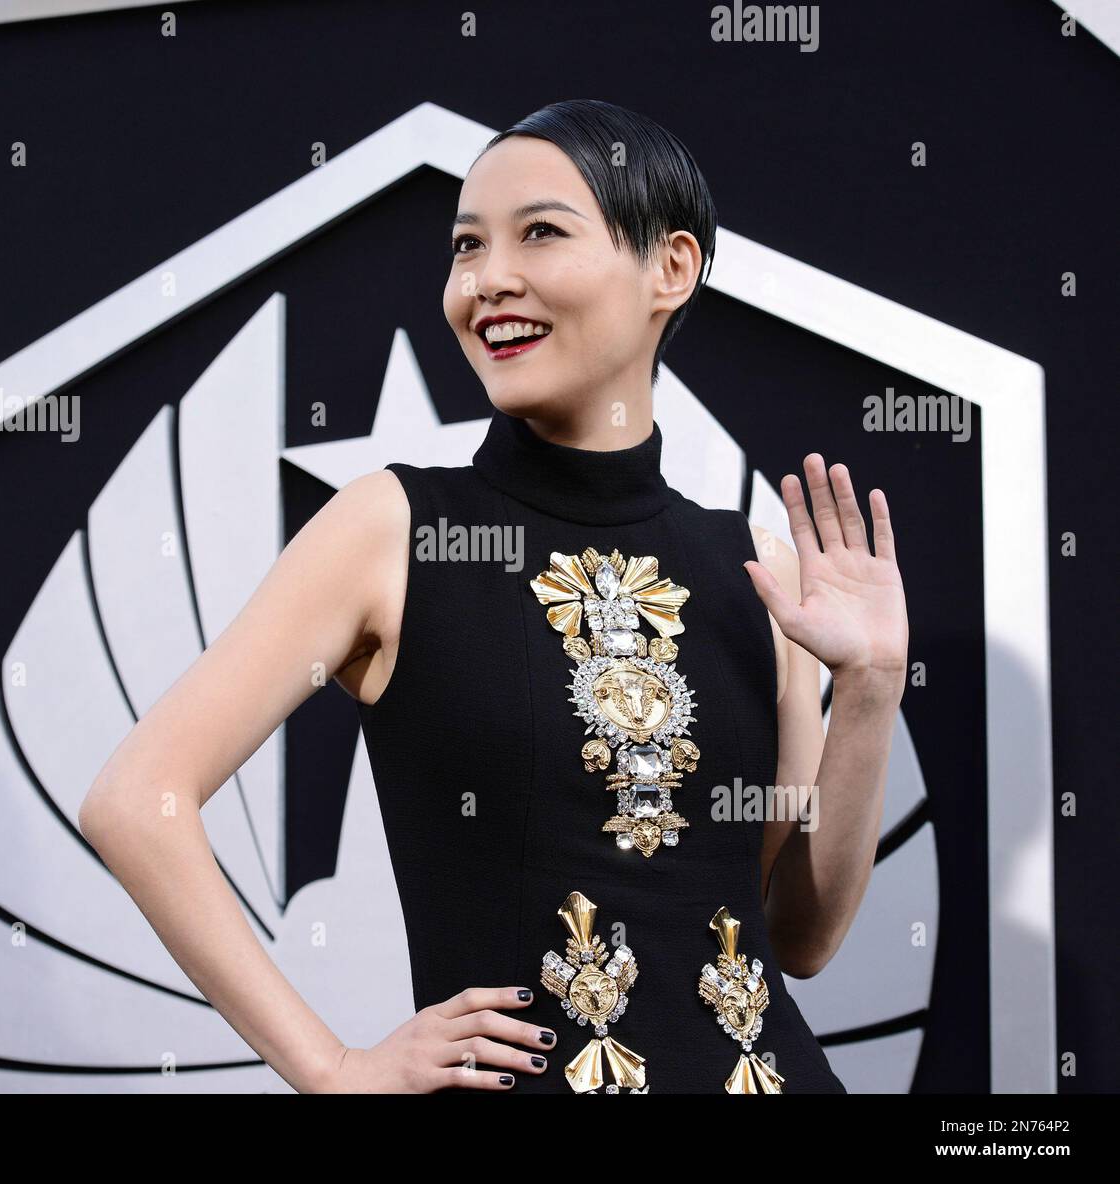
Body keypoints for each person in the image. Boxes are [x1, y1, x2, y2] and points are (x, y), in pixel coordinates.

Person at [78, 98, 908, 1094]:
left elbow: (797, 936)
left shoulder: (752, 565)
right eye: (466, 246)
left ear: (669, 268)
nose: (487, 280)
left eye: (541, 233)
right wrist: (333, 1067)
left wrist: (868, 685)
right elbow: (136, 800)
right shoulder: (390, 528)